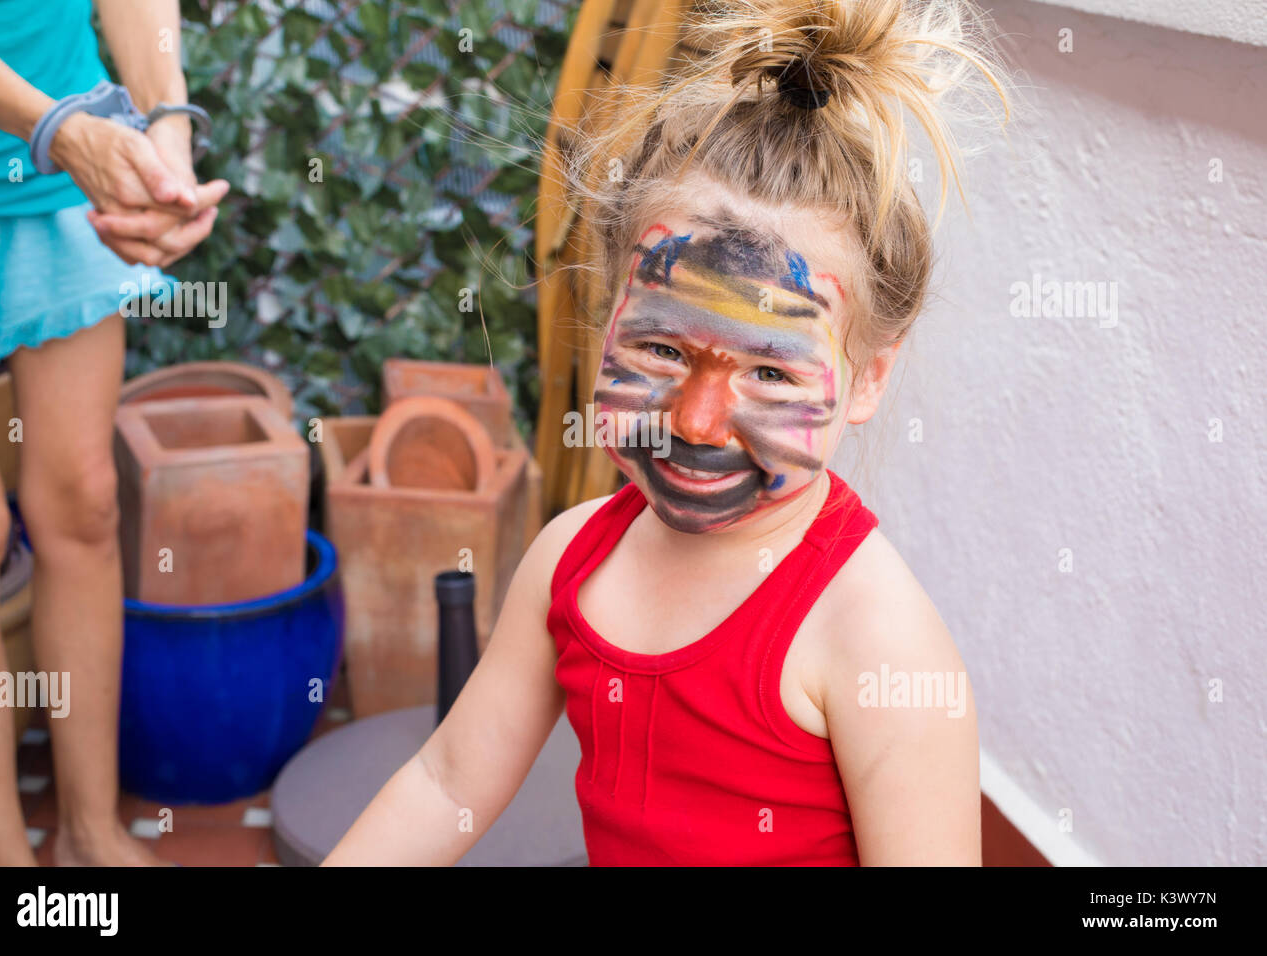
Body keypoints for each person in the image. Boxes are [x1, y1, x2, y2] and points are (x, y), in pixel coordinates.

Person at [326, 0, 1010, 865]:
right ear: (609, 304)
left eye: (769, 372)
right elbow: (448, 784)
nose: (694, 420)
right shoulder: (570, 562)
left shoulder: (878, 641)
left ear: (868, 376)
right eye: (659, 347)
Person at [0, 0, 227, 866]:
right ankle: (3, 856)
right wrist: (59, 129)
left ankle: (90, 835)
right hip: (61, 139)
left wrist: (166, 133)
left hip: (60, 174)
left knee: (83, 502)